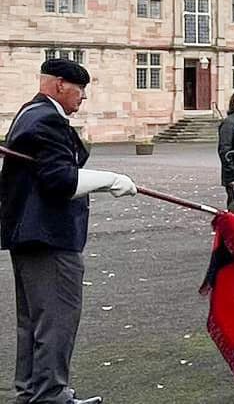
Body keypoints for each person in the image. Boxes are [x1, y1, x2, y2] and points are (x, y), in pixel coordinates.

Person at [1, 59, 138, 404]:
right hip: (48, 235)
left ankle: (32, 392)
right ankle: (50, 395)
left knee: (35, 322)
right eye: (80, 89)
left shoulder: (29, 112)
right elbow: (62, 180)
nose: (84, 97)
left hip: (30, 233)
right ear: (60, 84)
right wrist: (112, 180)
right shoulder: (47, 118)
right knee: (56, 320)